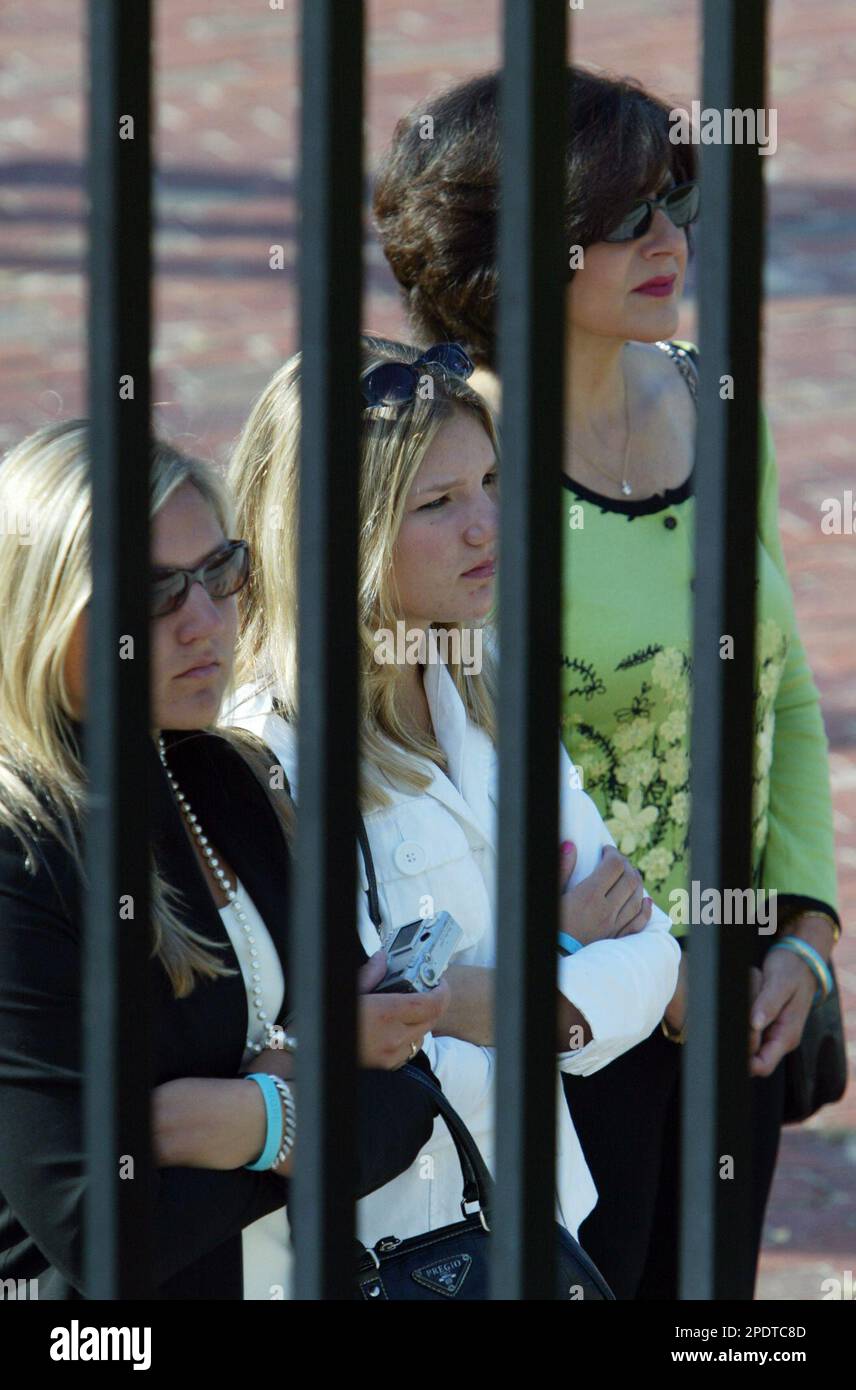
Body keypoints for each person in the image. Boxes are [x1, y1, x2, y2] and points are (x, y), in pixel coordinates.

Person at [370, 66, 842, 1298]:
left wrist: (804, 932)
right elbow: (416, 767)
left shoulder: (710, 399)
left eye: (674, 200)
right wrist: (643, 967)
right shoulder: (447, 477)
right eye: (627, 216)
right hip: (559, 1018)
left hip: (738, 1012)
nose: (671, 240)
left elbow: (778, 693)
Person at [221, 334, 681, 1282]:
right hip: (369, 1251)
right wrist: (552, 956)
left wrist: (470, 995)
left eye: (492, 482)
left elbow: (654, 953)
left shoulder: (484, 682)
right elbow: (353, 1052)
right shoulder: (266, 753)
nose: (490, 527)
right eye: (438, 503)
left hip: (528, 1226)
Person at [0, 419, 447, 1300]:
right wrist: (297, 1106)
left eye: (219, 573)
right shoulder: (20, 857)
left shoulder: (217, 777)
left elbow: (405, 1093)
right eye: (152, 592)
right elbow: (99, 1229)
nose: (204, 621)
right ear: (39, 613)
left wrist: (240, 1115)